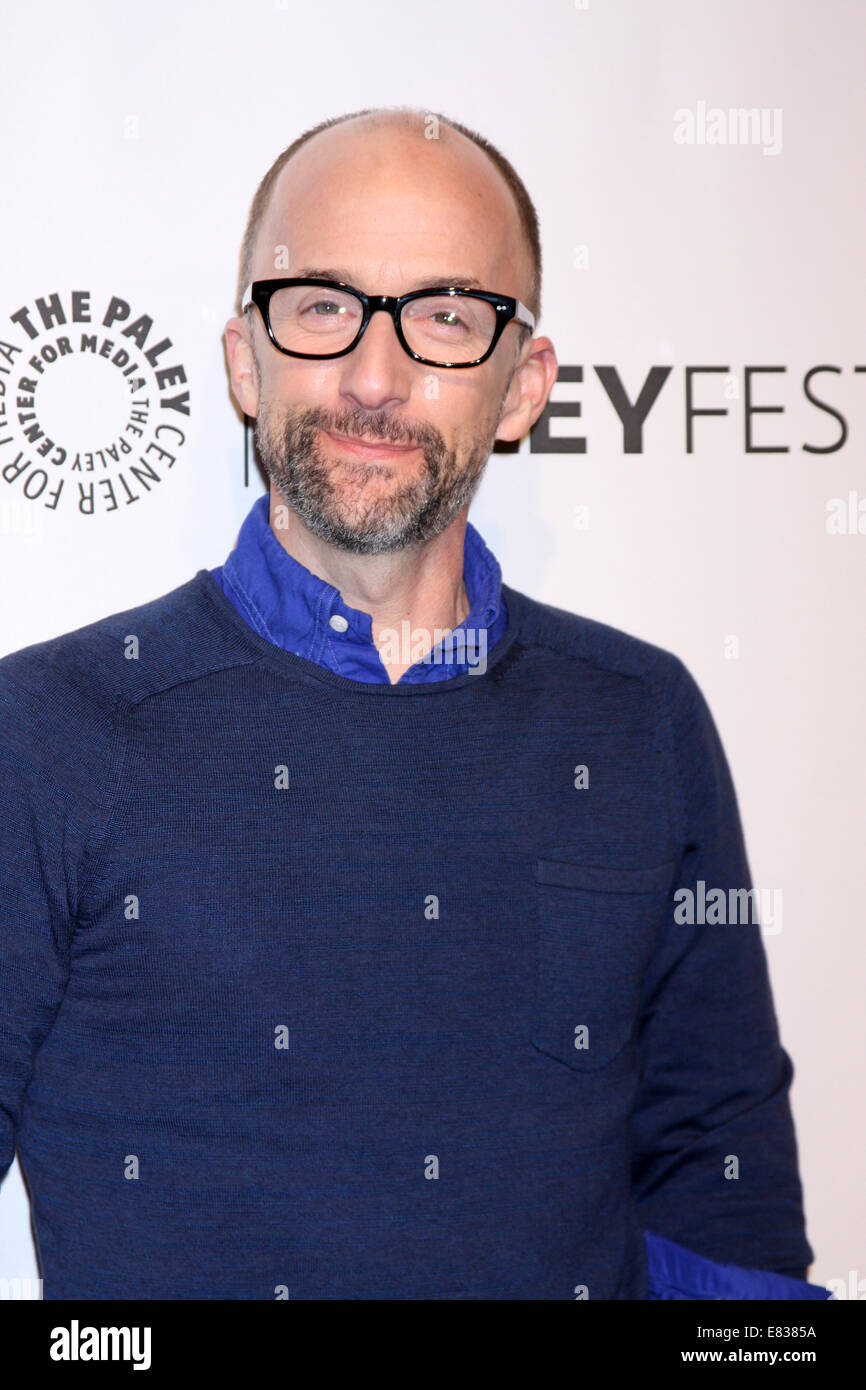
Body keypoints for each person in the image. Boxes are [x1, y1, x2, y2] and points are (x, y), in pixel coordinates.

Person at [0, 106, 823, 1299]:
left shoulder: (640, 719)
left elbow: (721, 1189)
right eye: (323, 305)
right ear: (245, 357)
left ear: (521, 384)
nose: (373, 379)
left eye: (445, 315)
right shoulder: (48, 729)